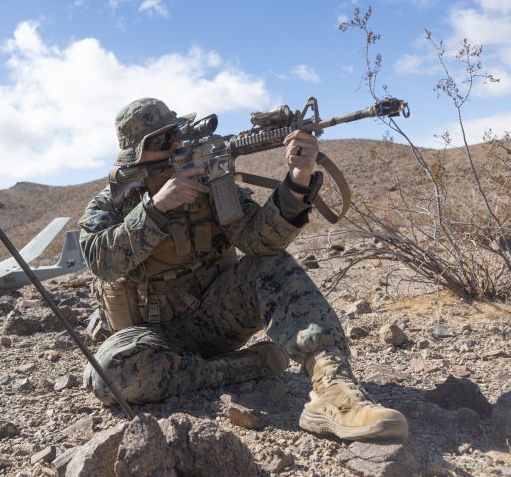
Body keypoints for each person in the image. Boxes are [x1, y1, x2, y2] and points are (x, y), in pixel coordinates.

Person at [78, 97, 408, 441]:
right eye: (161, 142)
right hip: (153, 338)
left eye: (176, 134)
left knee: (271, 265)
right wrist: (157, 208)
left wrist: (298, 179)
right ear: (136, 155)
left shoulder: (212, 184)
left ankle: (335, 391)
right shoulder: (112, 202)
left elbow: (260, 242)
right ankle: (240, 368)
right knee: (108, 377)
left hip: (217, 318)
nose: (175, 145)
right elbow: (101, 262)